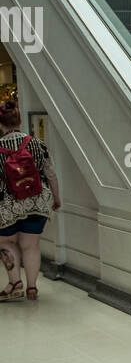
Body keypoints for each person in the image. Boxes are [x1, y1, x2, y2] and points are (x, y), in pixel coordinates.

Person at [0, 101, 61, 302]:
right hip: (37, 200)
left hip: (8, 204)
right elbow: (50, 174)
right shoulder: (36, 143)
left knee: (5, 241)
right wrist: (56, 198)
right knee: (31, 245)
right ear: (19, 121)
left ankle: (15, 283)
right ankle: (32, 288)